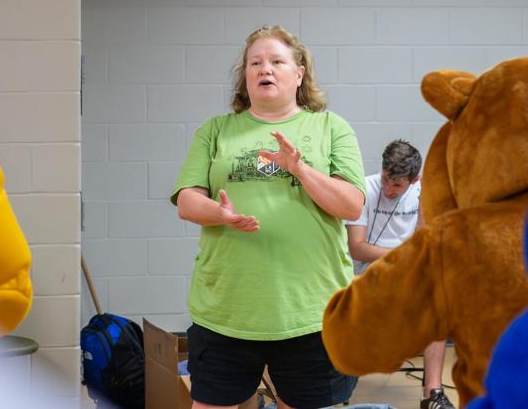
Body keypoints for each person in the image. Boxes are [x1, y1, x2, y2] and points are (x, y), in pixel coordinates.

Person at [171, 25, 366, 409]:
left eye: (277, 61)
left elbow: (351, 206)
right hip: (227, 308)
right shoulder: (216, 130)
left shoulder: (331, 128)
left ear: (299, 74)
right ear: (245, 76)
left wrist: (302, 170)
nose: (266, 69)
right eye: (255, 62)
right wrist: (220, 213)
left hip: (311, 311)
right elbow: (187, 201)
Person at [346, 139, 454, 409]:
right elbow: (357, 248)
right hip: (366, 273)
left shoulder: (423, 192)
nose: (388, 190)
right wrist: (402, 256)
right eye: (386, 180)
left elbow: (424, 243)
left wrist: (424, 205)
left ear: (414, 179)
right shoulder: (365, 189)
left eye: (397, 185)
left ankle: (433, 394)